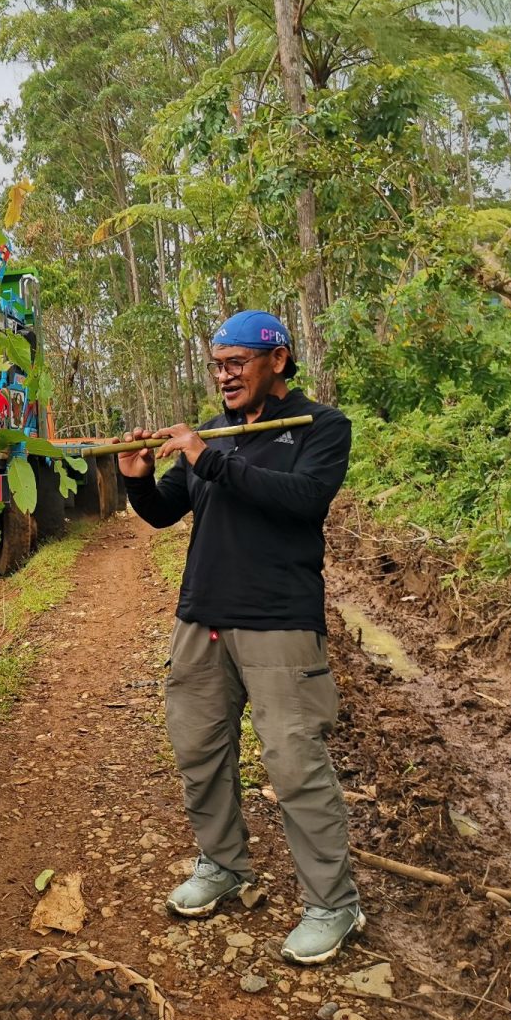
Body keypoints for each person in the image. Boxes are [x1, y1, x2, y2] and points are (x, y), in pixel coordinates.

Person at [117, 309, 361, 965]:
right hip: (203, 620)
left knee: (295, 764)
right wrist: (137, 476)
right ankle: (222, 863)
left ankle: (333, 903)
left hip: (280, 622)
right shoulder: (214, 434)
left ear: (277, 359)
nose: (224, 376)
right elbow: (164, 511)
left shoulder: (320, 426)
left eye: (236, 363)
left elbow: (303, 499)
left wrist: (210, 459)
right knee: (199, 751)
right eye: (217, 366)